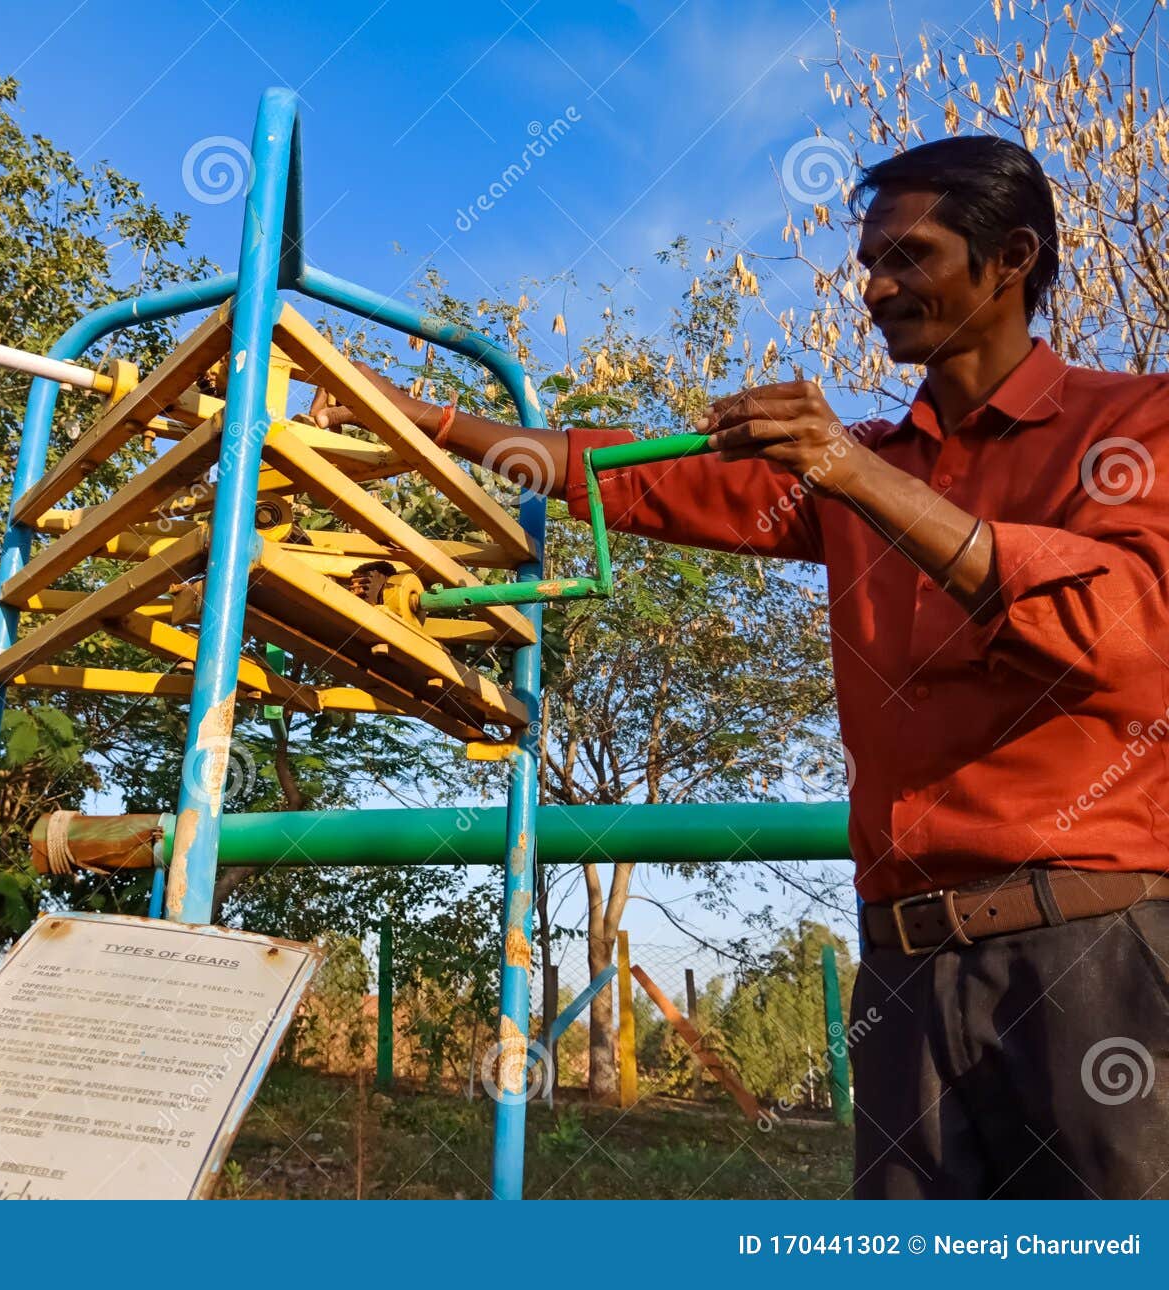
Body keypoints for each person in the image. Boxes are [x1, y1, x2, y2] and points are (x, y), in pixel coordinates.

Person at [310, 136, 1169, 1199]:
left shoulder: (1134, 424)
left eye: (911, 256)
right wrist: (415, 418)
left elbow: (1126, 635)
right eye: (867, 262)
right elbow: (623, 480)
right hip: (900, 967)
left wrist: (851, 474)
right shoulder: (858, 469)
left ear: (1009, 261)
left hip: (1091, 954)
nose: (876, 286)